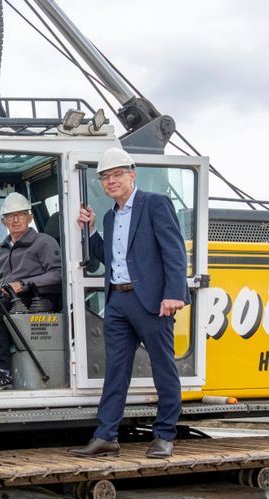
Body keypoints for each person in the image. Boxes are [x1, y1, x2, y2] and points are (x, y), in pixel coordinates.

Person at [71, 147, 189, 459]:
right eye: (106, 177)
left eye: (117, 175)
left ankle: (164, 435)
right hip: (117, 302)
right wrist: (92, 229)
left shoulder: (155, 204)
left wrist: (174, 293)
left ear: (132, 175)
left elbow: (174, 252)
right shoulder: (110, 217)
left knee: (163, 368)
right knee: (115, 371)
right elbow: (107, 257)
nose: (111, 181)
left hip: (150, 301)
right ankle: (106, 435)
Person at [0, 192, 61, 388]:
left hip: (35, 298)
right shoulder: (2, 248)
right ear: (3, 221)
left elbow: (58, 274)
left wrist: (23, 284)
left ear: (30, 217)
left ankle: (2, 371)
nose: (15, 220)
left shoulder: (44, 242)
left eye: (21, 214)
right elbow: (0, 279)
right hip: (7, 297)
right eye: (10, 216)